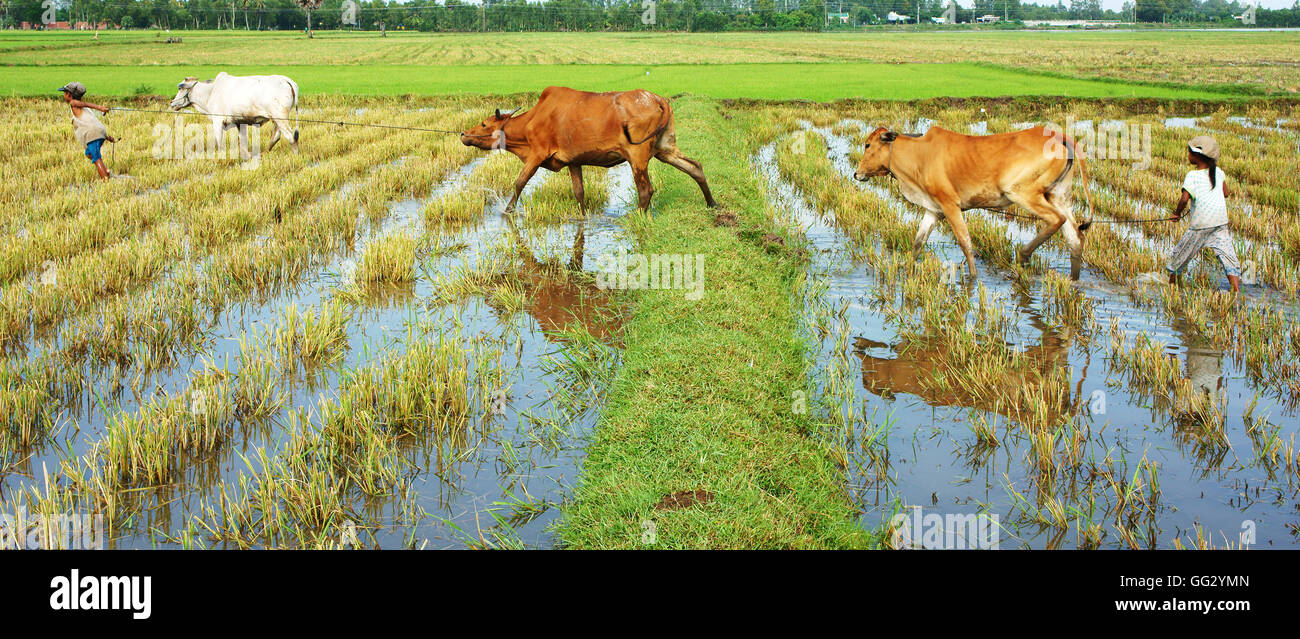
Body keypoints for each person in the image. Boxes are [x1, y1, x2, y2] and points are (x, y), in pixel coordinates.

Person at [1167, 135, 1242, 293]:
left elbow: (1184, 199)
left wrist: (1177, 214)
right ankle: (1236, 290)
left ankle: (1172, 288)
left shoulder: (1192, 176)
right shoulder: (1218, 172)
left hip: (1201, 224)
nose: (1188, 156)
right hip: (1220, 221)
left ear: (1197, 156)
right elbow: (1226, 193)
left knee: (1178, 256)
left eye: (1189, 153)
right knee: (1228, 258)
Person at [58, 81, 117, 180]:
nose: (64, 95)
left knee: (96, 158)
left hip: (92, 135)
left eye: (64, 93)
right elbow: (93, 122)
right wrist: (107, 137)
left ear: (69, 94)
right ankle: (106, 171)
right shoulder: (85, 110)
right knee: (89, 154)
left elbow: (82, 103)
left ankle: (106, 181)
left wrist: (100, 108)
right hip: (98, 132)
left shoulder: (73, 103)